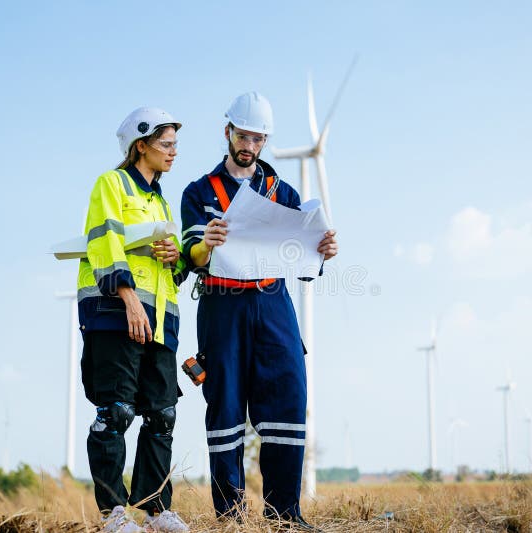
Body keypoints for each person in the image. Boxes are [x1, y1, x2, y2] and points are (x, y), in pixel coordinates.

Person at [180, 92, 338, 532]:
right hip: (222, 310)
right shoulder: (198, 194)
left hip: (274, 308)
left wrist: (321, 253)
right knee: (226, 412)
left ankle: (284, 515)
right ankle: (230, 519)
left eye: (257, 138)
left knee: (288, 399)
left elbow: (303, 265)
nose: (248, 145)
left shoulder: (284, 193)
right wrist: (203, 245)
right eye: (242, 135)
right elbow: (190, 255)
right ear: (227, 131)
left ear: (266, 140)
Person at [78, 107, 190, 533]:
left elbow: (171, 271)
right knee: (117, 410)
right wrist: (127, 297)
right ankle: (113, 512)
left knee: (162, 415)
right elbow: (104, 239)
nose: (173, 152)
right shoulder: (112, 184)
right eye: (166, 144)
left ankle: (156, 509)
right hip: (116, 314)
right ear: (139, 145)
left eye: (176, 144)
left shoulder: (159, 200)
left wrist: (175, 256)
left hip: (161, 320)